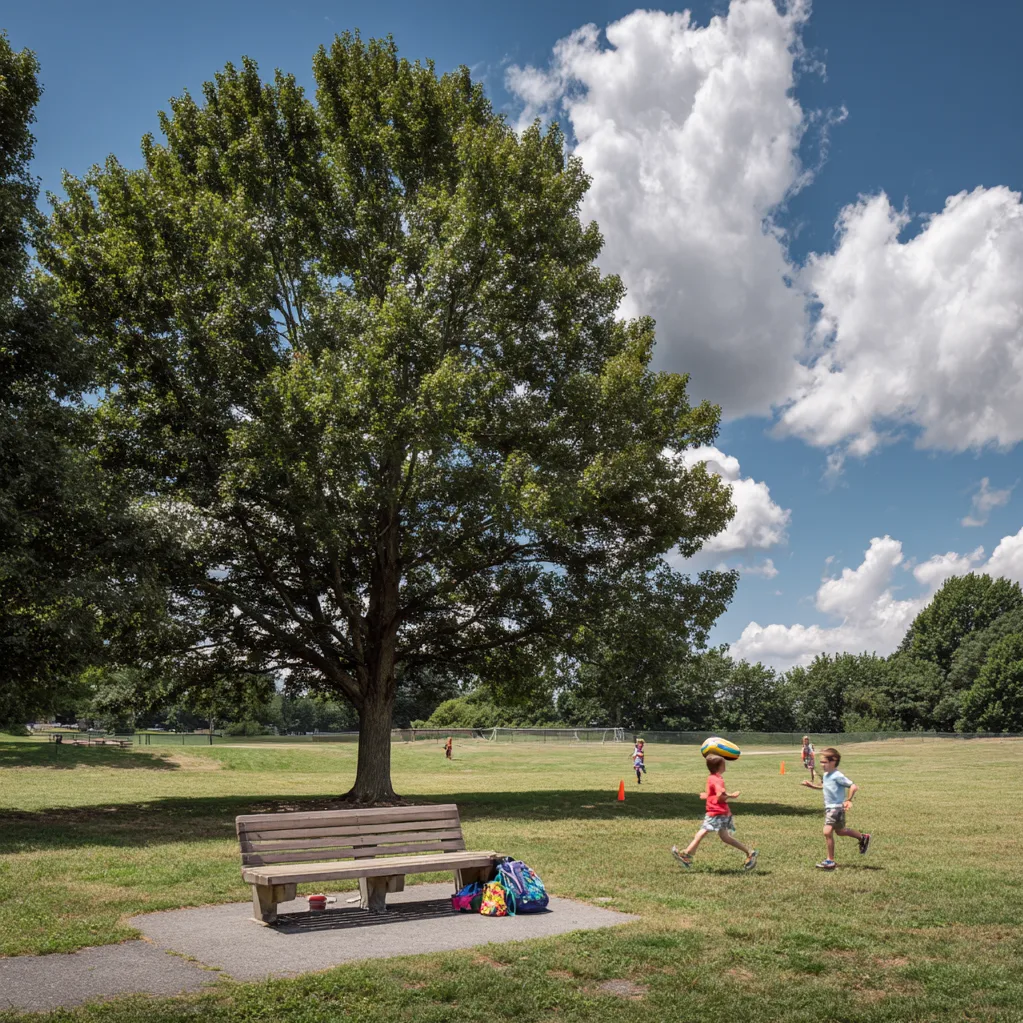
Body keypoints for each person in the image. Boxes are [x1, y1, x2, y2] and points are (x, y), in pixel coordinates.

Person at [671, 754, 758, 871]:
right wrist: (715, 795)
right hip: (718, 812)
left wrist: (729, 795)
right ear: (719, 767)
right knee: (725, 837)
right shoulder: (717, 779)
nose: (725, 766)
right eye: (724, 764)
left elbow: (720, 796)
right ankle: (750, 852)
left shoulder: (712, 778)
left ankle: (687, 854)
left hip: (717, 813)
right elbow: (719, 796)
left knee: (702, 832)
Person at [801, 746, 871, 870]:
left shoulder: (837, 775)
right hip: (831, 808)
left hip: (835, 808)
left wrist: (848, 800)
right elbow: (826, 787)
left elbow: (853, 786)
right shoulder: (827, 775)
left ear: (833, 761)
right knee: (840, 831)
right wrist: (812, 786)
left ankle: (830, 861)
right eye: (821, 762)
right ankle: (862, 837)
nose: (822, 765)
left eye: (824, 762)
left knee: (827, 831)